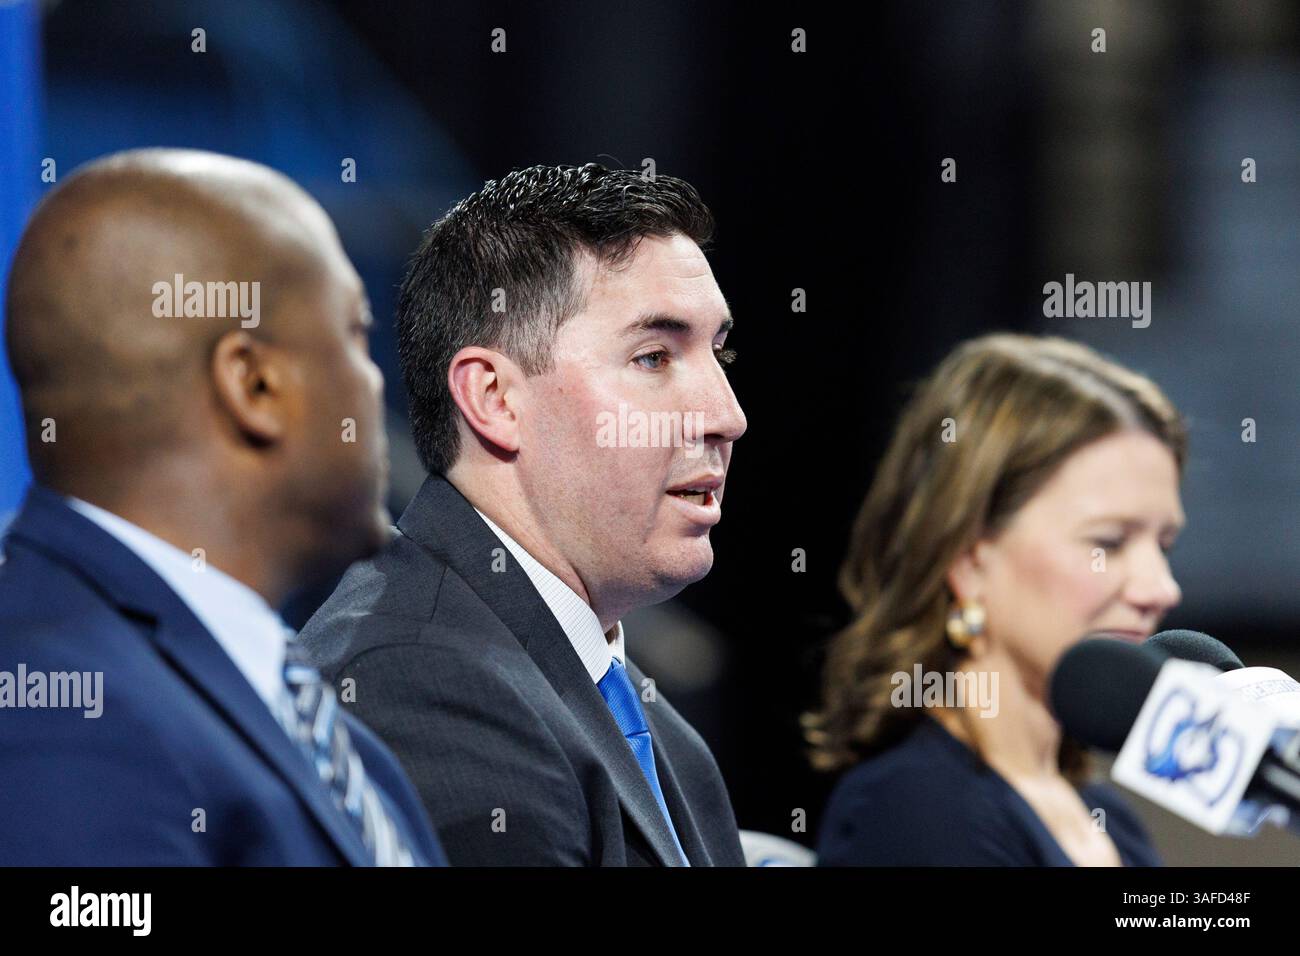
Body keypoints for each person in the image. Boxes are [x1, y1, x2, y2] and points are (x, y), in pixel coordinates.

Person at [0, 148, 445, 866]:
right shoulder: (63, 712)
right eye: (355, 333)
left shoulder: (313, 723)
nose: (373, 384)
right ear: (254, 385)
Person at [299, 163, 748, 865]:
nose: (726, 416)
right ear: (495, 399)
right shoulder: (418, 682)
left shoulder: (667, 742)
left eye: (719, 353)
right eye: (654, 356)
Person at [806, 334, 1182, 866]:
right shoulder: (911, 810)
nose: (1160, 589)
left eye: (1164, 544)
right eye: (1108, 543)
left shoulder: (1108, 818)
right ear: (968, 558)